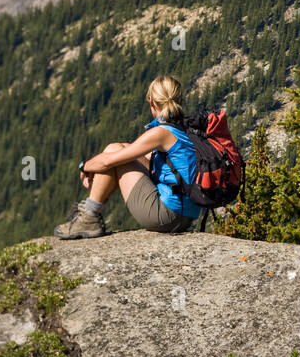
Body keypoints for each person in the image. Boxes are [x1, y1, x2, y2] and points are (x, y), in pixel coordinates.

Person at [54, 75, 202, 239]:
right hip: (186, 215)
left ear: (152, 102)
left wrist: (84, 166)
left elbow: (108, 161)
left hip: (167, 216)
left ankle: (89, 217)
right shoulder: (184, 130)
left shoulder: (161, 133)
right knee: (120, 148)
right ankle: (89, 215)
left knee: (112, 152)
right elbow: (138, 155)